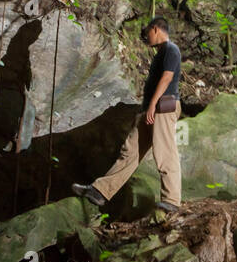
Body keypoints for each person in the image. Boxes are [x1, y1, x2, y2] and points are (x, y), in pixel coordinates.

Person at [73, 16, 183, 225]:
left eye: (147, 32)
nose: (145, 37)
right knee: (130, 150)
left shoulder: (171, 49)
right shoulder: (161, 53)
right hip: (152, 109)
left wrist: (152, 105)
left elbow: (167, 78)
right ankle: (100, 191)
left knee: (165, 150)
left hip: (164, 105)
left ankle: (172, 199)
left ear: (156, 29)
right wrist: (146, 109)